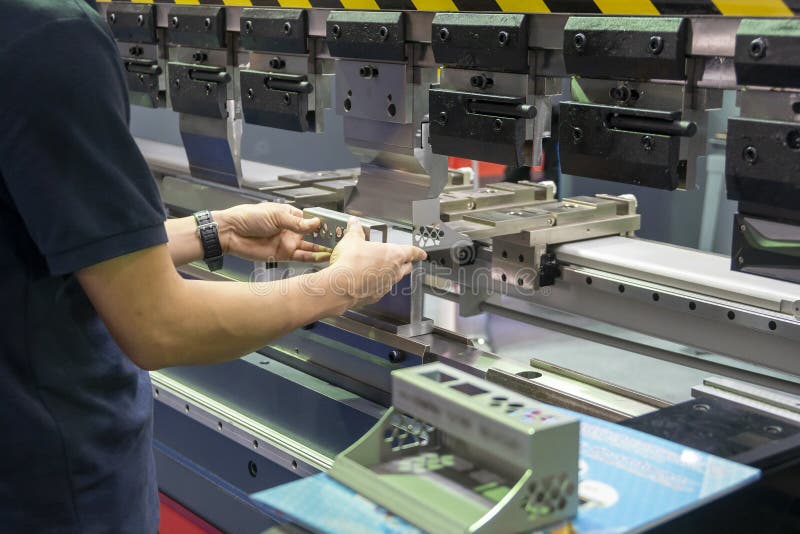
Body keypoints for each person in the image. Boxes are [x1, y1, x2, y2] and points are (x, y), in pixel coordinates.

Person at [0, 1, 426, 532]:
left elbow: (44, 235)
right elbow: (161, 324)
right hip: (49, 484)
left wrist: (214, 231)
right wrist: (340, 285)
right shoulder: (50, 33)